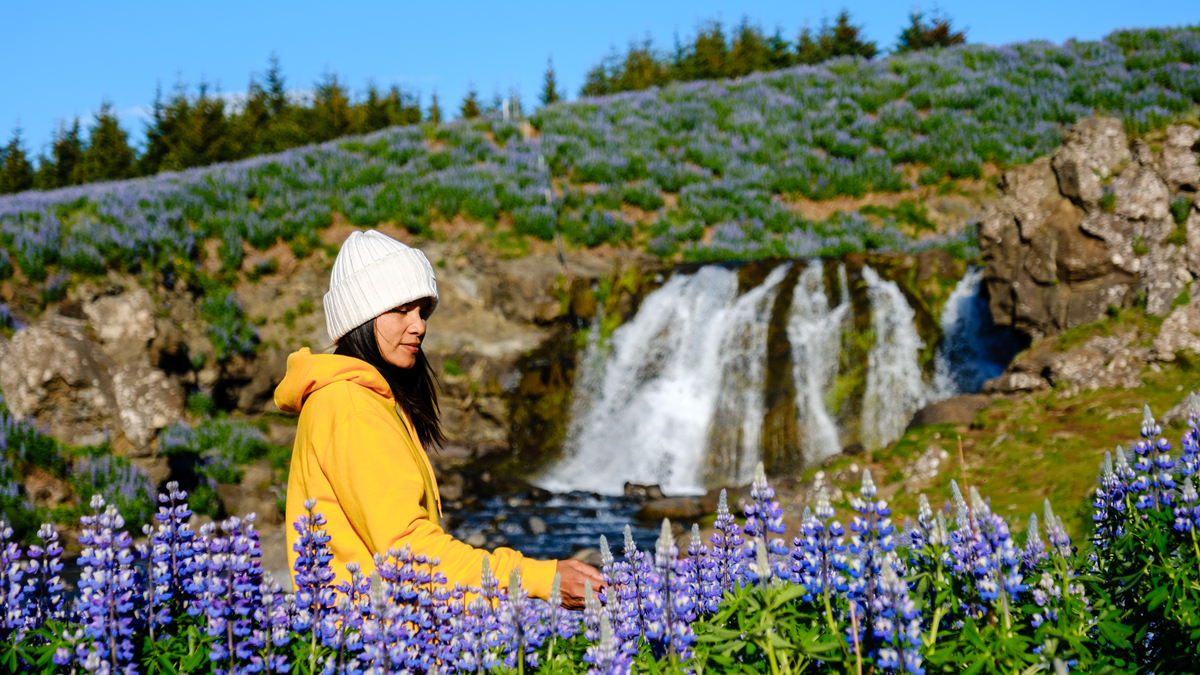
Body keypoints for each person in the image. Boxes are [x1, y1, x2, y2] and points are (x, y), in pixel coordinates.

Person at [275, 229, 603, 608]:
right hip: (373, 648)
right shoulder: (348, 405)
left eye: (422, 311)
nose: (419, 326)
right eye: (400, 310)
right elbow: (409, 554)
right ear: (360, 317)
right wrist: (539, 578)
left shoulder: (363, 399)